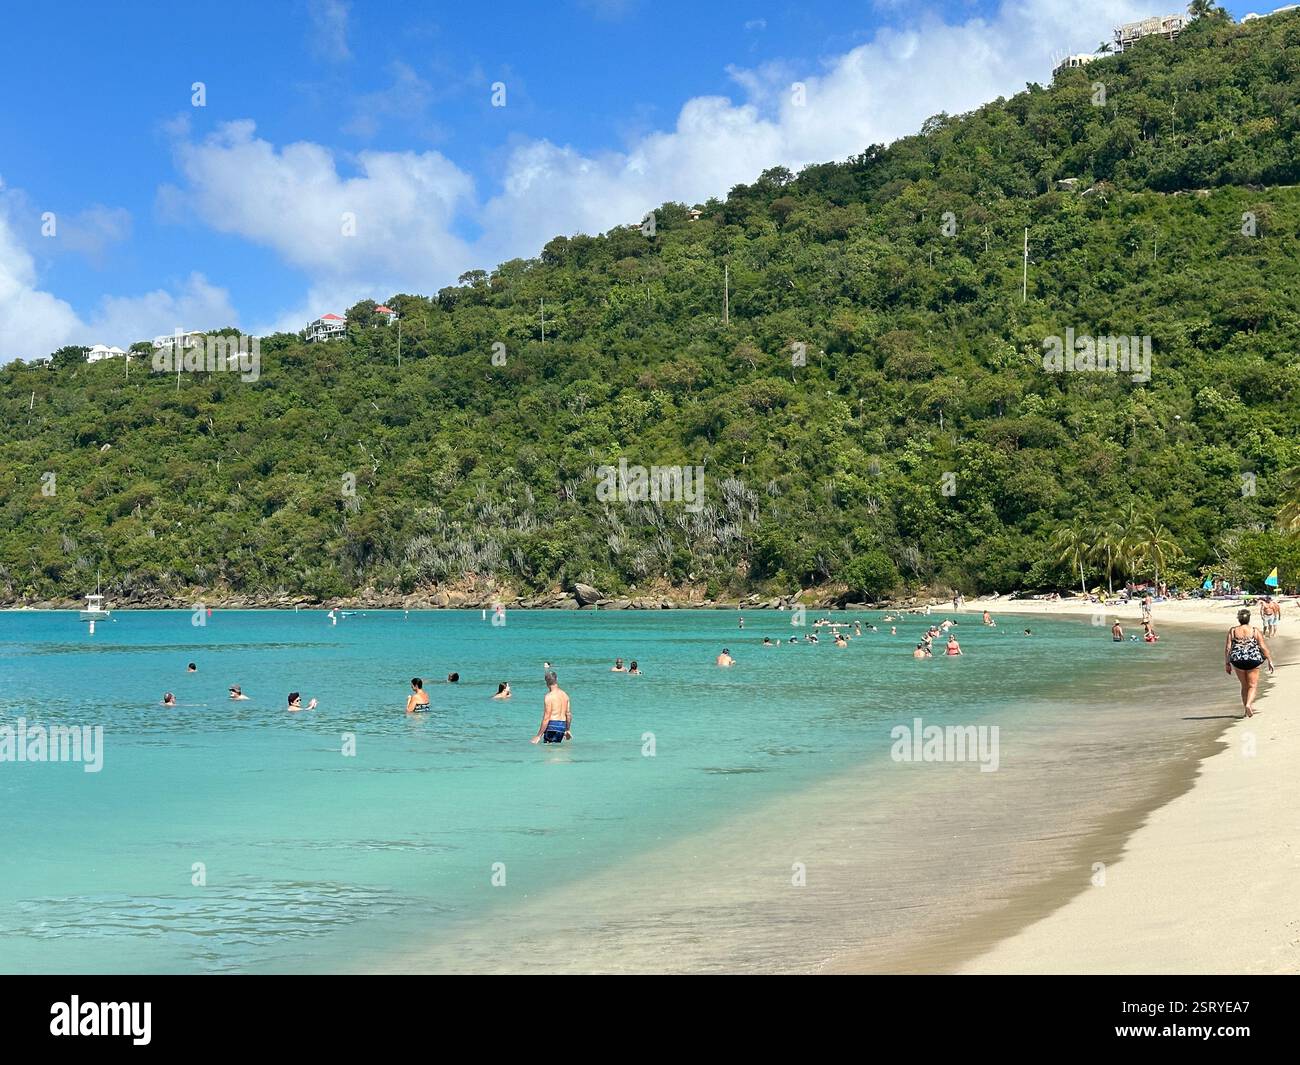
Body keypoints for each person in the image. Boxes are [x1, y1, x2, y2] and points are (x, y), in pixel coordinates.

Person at [1225, 609, 1274, 717]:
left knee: (1244, 685)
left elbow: (1228, 648)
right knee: (1252, 685)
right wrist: (1270, 660)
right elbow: (1263, 646)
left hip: (1238, 660)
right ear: (1249, 619)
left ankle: (1245, 710)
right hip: (1253, 660)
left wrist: (1227, 663)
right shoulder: (1254, 630)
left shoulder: (1233, 631)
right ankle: (1248, 704)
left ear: (1239, 619)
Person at [531, 672, 571, 744]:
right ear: (557, 679)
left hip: (552, 726)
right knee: (557, 751)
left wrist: (538, 736)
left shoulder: (549, 696)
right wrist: (567, 729)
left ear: (546, 681)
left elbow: (546, 717)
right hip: (562, 726)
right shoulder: (565, 695)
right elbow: (568, 714)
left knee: (549, 751)